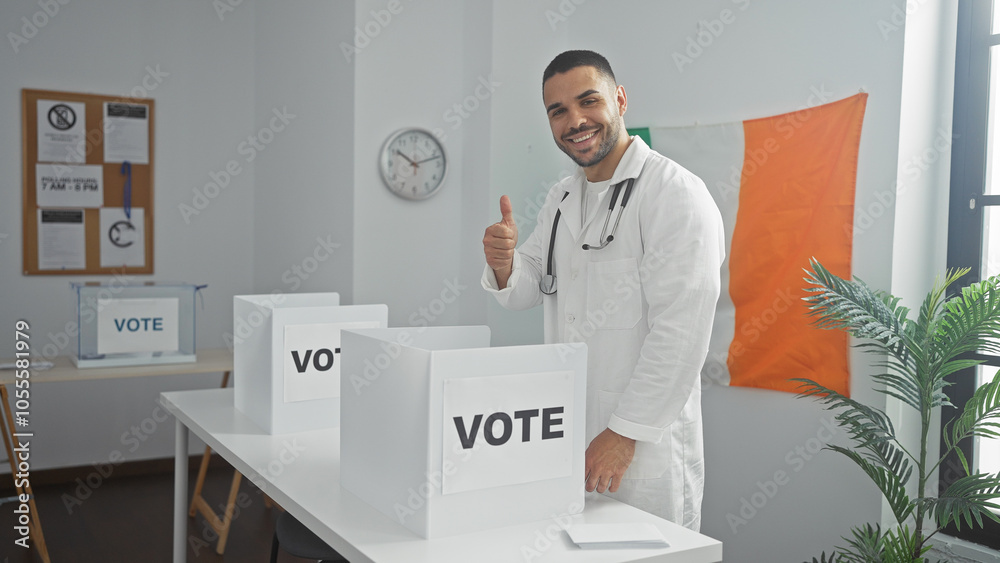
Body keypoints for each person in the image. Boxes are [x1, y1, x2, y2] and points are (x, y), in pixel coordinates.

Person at [480, 50, 724, 530]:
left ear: (620, 99)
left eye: (587, 101)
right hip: (567, 432)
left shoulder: (674, 193)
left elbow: (681, 332)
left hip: (640, 448)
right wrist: (505, 264)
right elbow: (532, 283)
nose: (575, 121)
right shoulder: (564, 195)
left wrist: (624, 433)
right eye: (558, 111)